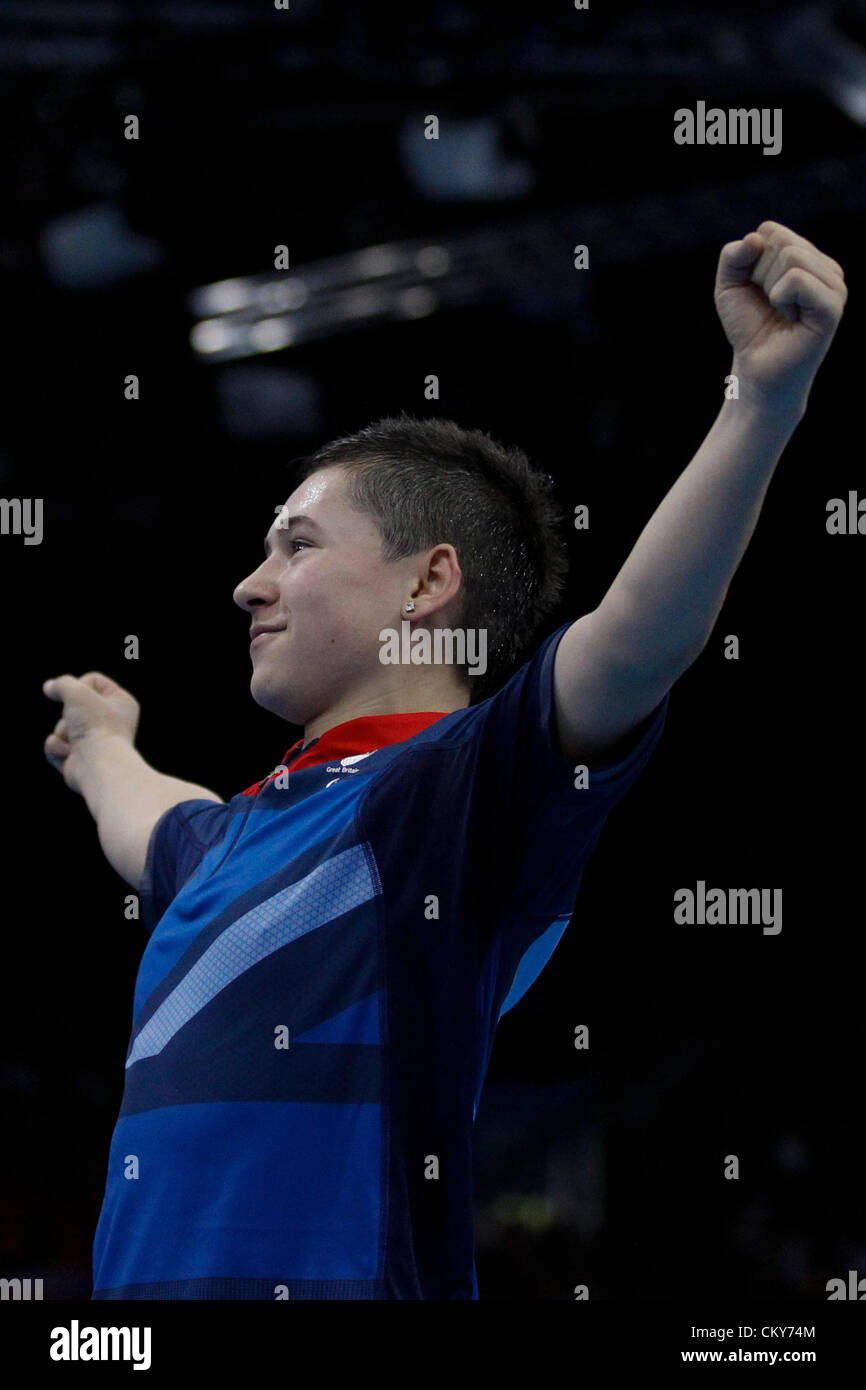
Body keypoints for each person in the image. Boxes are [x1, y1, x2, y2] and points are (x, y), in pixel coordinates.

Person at [43, 221, 846, 1299]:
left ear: (425, 585)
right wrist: (100, 740)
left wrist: (759, 400)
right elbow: (142, 807)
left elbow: (635, 641)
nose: (249, 583)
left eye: (296, 544)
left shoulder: (448, 795)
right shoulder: (227, 842)